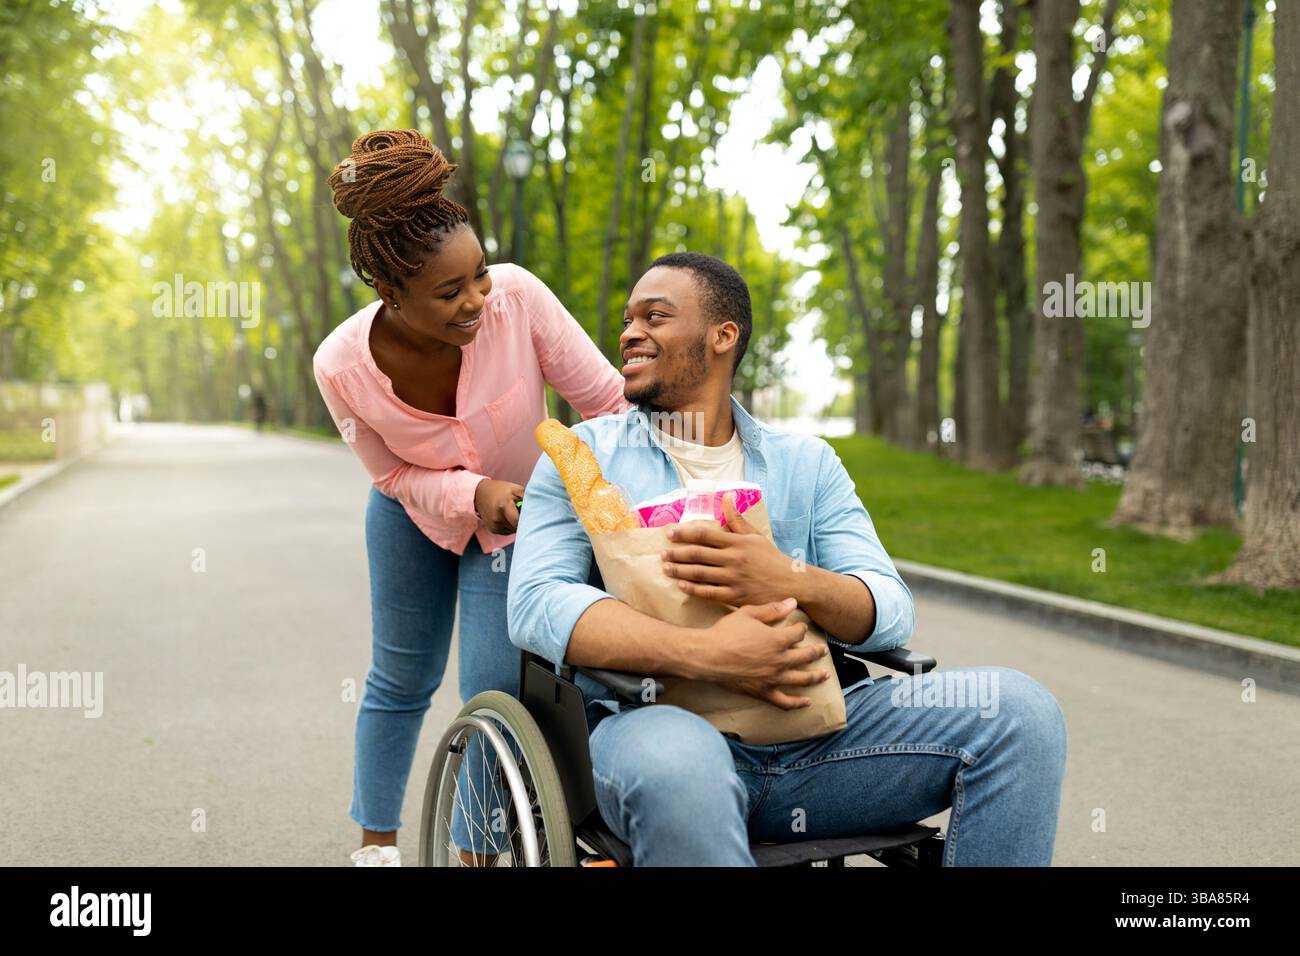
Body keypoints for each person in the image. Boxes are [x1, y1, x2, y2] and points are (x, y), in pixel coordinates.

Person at [508, 252, 1068, 866]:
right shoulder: (584, 456)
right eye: (628, 319)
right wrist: (709, 654)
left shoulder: (808, 462)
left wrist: (787, 577)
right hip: (657, 731)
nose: (629, 332)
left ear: (724, 336)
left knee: (1019, 713)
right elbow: (538, 603)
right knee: (681, 765)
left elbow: (888, 607)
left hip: (819, 741)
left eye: (656, 316)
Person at [313, 129, 627, 866]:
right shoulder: (340, 366)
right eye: (450, 292)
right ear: (391, 295)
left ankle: (475, 853)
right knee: (400, 677)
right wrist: (469, 491)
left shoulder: (517, 299)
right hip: (412, 515)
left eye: (479, 276)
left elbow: (608, 404)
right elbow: (389, 475)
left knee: (494, 685)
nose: (477, 300)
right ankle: (377, 845)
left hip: (522, 524)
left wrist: (593, 492)